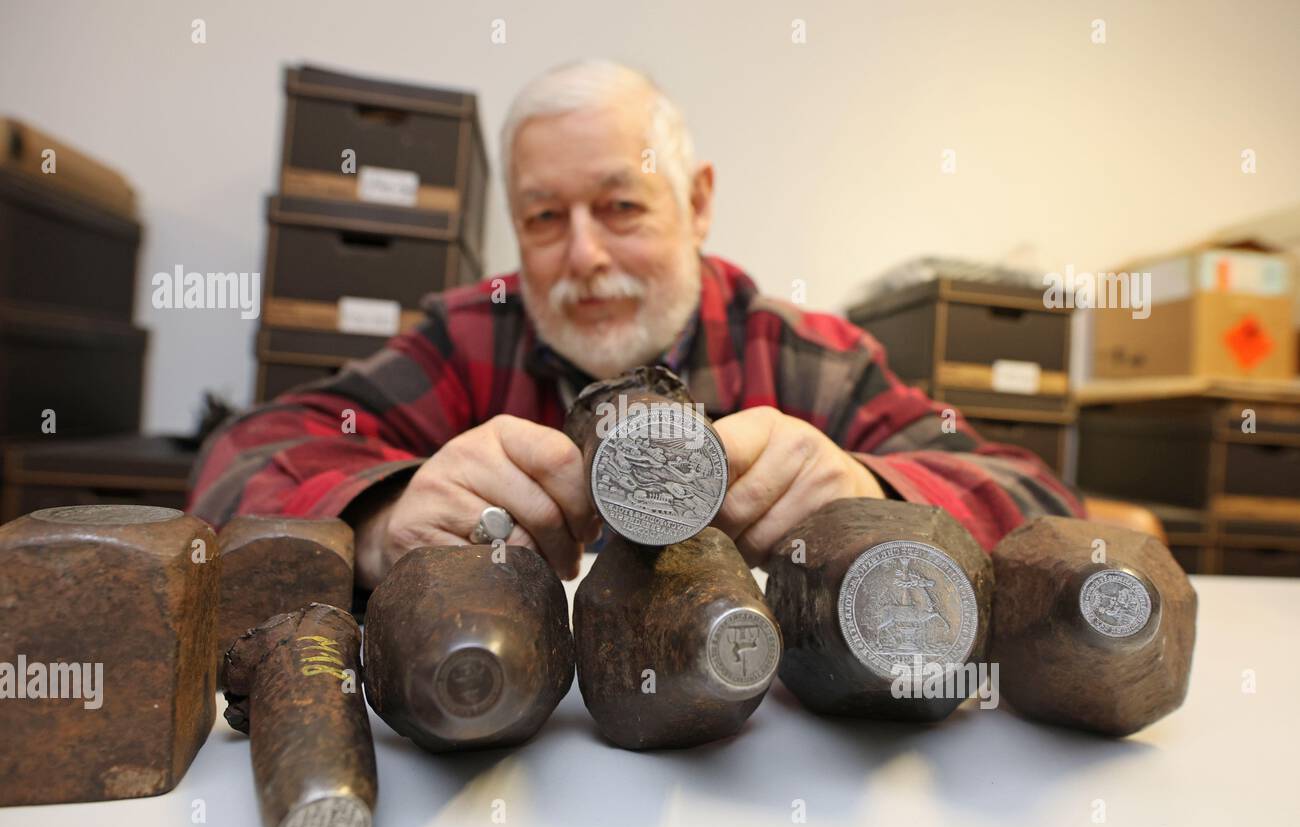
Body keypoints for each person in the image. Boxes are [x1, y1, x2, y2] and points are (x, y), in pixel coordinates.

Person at [189, 59, 1084, 588]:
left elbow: (1040, 503)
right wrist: (382, 516)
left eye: (621, 205)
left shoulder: (802, 356)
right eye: (544, 218)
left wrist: (875, 499)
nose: (582, 257)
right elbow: (243, 462)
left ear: (696, 205)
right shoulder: (472, 337)